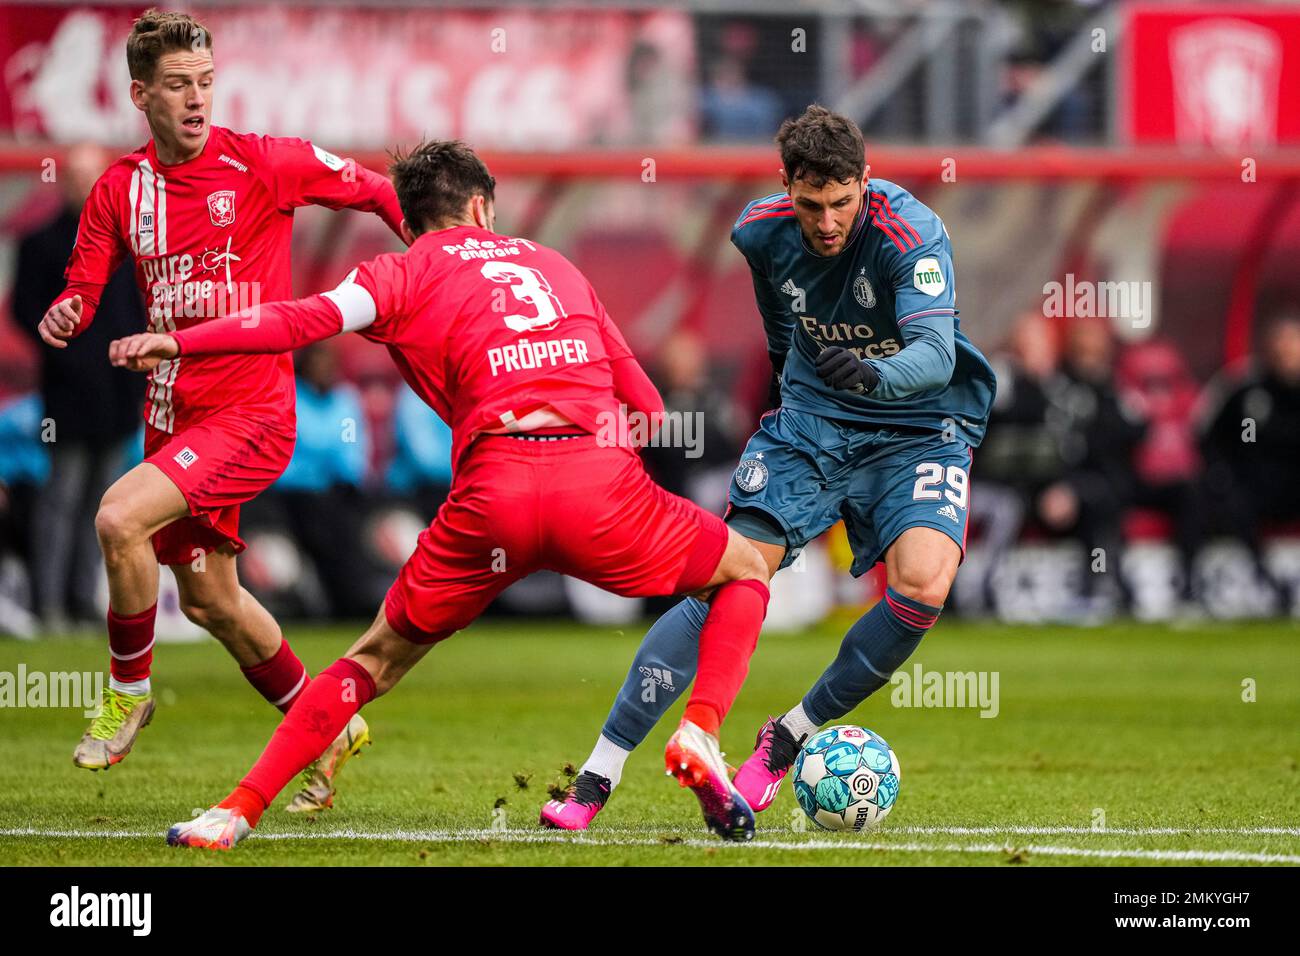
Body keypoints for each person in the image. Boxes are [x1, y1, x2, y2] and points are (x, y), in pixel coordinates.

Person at [110, 139, 773, 848]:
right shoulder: (556, 266)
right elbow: (645, 405)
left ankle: (233, 813)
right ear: (483, 206)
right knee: (744, 571)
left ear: (410, 216)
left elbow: (300, 319)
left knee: (370, 662)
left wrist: (182, 343)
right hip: (598, 485)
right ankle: (701, 731)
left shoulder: (398, 272)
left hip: (493, 496)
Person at [545, 105, 998, 829]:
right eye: (810, 203)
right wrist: (803, 403)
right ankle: (597, 777)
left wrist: (873, 378)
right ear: (787, 187)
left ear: (866, 182)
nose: (826, 221)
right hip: (814, 426)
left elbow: (936, 356)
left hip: (917, 426)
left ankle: (787, 735)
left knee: (923, 585)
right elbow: (781, 327)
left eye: (842, 202)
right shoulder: (758, 232)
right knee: (729, 570)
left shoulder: (912, 235)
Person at [36, 9, 404, 811]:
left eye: (205, 82)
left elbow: (379, 190)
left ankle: (129, 692)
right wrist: (67, 311)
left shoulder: (268, 163)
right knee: (210, 600)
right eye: (176, 86)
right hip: (174, 417)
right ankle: (328, 726)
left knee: (114, 518)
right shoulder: (120, 191)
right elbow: (82, 288)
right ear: (141, 94)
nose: (196, 99)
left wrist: (449, 258)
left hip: (253, 413)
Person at [12, 142, 146, 631]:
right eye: (78, 176)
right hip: (66, 400)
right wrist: (63, 351)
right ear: (64, 180)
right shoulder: (43, 243)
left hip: (117, 396)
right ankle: (48, 603)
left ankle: (85, 599)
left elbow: (140, 310)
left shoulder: (126, 242)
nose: (86, 186)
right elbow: (26, 309)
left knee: (105, 509)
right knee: (61, 500)